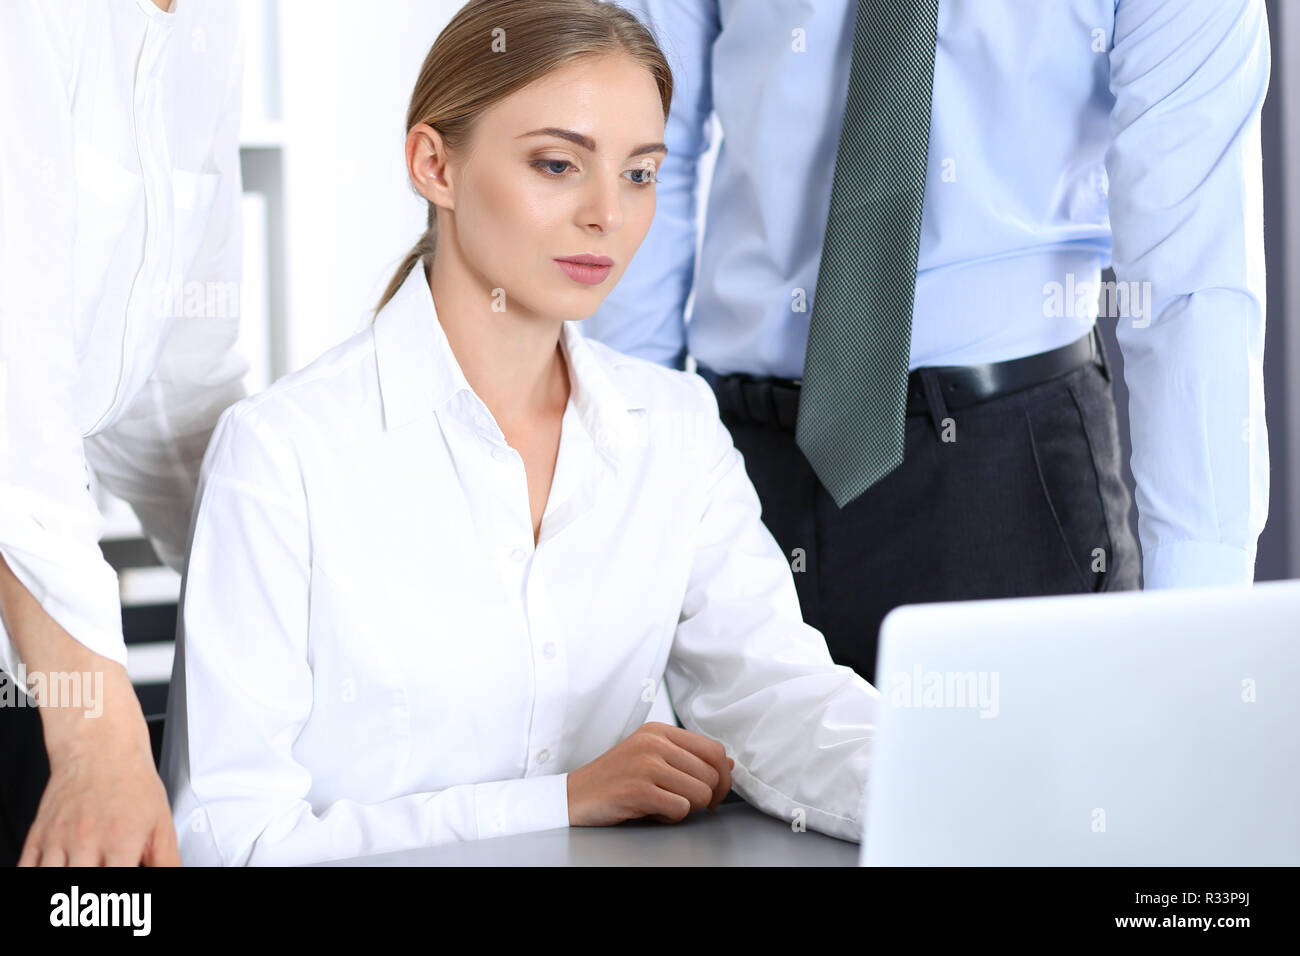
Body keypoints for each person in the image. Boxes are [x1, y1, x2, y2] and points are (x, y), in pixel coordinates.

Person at [161, 0, 877, 867]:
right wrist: (557, 805)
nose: (608, 214)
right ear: (435, 166)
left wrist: (960, 784)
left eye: (641, 173)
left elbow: (777, 700)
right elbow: (227, 839)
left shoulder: (675, 431)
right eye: (557, 164)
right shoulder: (282, 455)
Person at [585, 0, 1271, 682]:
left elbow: (1192, 286)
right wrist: (634, 491)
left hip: (1011, 485)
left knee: (1021, 789)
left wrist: (1197, 649)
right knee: (701, 785)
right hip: (735, 473)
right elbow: (636, 146)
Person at [0, 0, 246, 867]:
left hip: (32, 659)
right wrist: (97, 731)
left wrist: (293, 593)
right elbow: (11, 396)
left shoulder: (209, 25)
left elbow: (176, 394)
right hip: (58, 663)